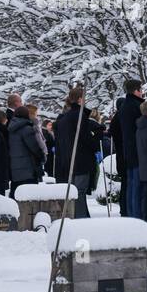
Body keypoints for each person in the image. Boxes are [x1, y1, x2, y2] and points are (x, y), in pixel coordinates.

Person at [54, 87, 100, 218]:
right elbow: (85, 138)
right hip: (80, 160)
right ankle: (80, 217)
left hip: (68, 160)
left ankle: (80, 215)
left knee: (75, 191)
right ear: (80, 99)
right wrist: (96, 139)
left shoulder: (64, 118)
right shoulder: (79, 116)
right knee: (79, 191)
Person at [114, 78, 144, 218]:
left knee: (130, 185)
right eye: (141, 90)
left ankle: (130, 212)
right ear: (136, 90)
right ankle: (135, 215)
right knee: (136, 185)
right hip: (138, 150)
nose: (142, 93)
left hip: (127, 151)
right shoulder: (137, 107)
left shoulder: (124, 106)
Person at [7, 105, 44, 198]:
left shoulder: (11, 128)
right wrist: (41, 156)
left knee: (16, 193)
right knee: (30, 196)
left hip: (15, 168)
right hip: (28, 168)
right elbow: (34, 147)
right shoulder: (26, 129)